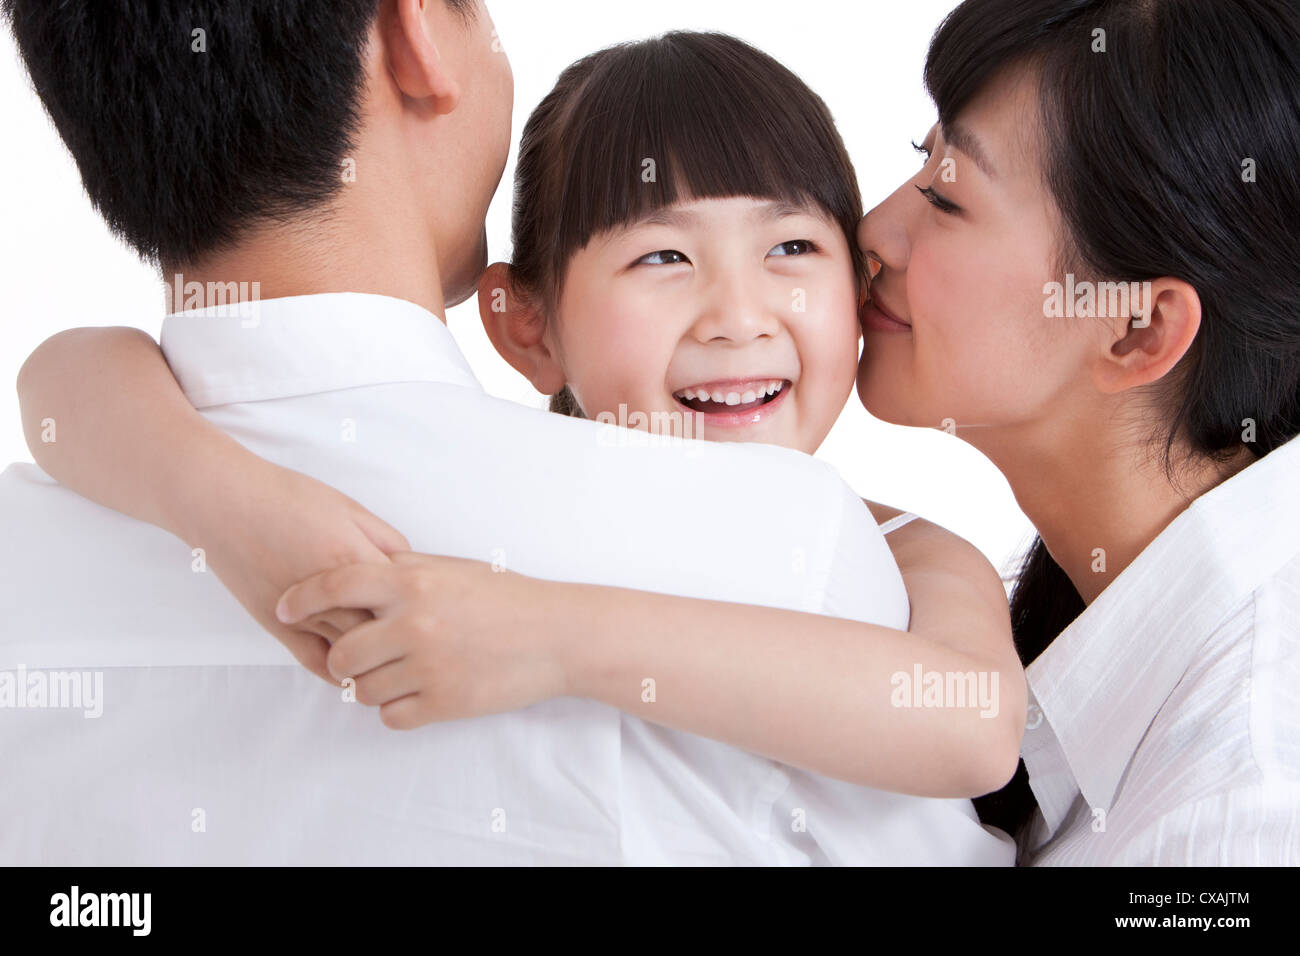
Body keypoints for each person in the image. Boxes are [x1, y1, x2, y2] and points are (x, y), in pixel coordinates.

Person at [0, 1, 1014, 865]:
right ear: (417, 35)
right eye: (661, 257)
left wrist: (210, 497)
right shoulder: (794, 551)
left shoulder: (59, 505)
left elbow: (59, 379)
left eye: (792, 245)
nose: (738, 317)